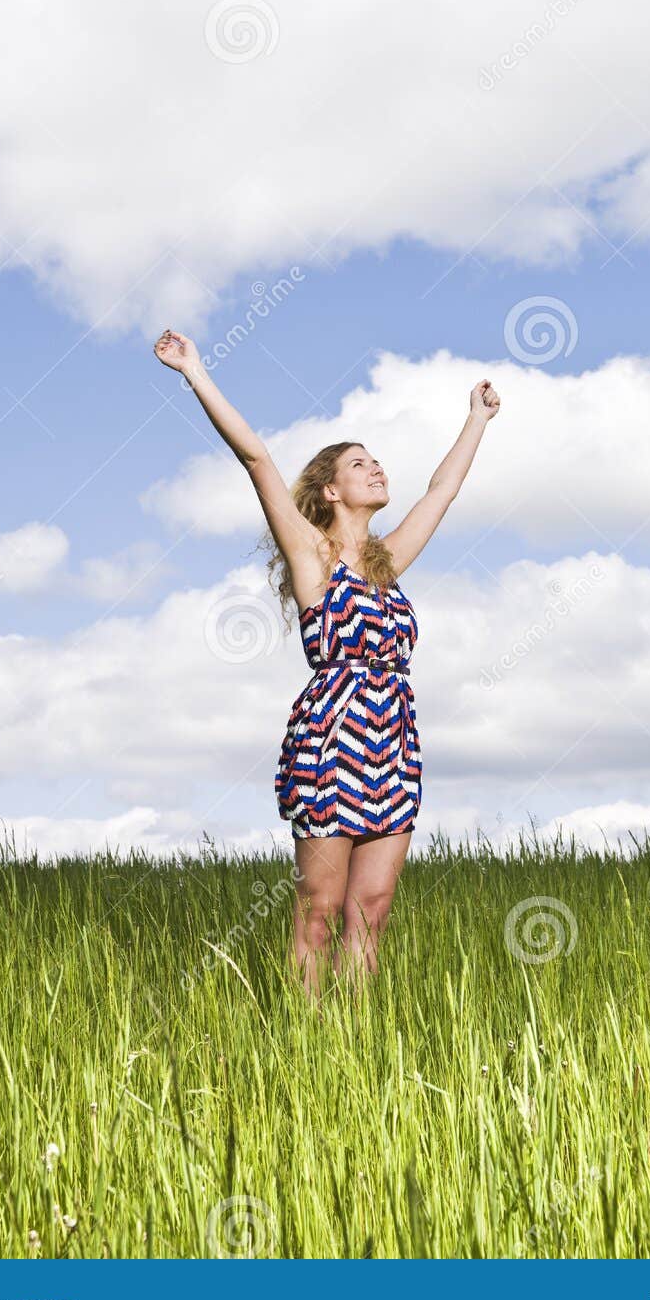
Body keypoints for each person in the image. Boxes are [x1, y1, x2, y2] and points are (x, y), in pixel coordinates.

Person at [154, 326, 500, 991]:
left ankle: (354, 1046)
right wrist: (194, 371)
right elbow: (257, 459)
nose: (376, 469)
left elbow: (441, 492)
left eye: (377, 461)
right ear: (332, 491)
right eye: (359, 464)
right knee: (318, 910)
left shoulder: (387, 563)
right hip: (334, 739)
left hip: (394, 743)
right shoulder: (313, 559)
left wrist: (476, 418)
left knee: (371, 911)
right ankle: (306, 1045)